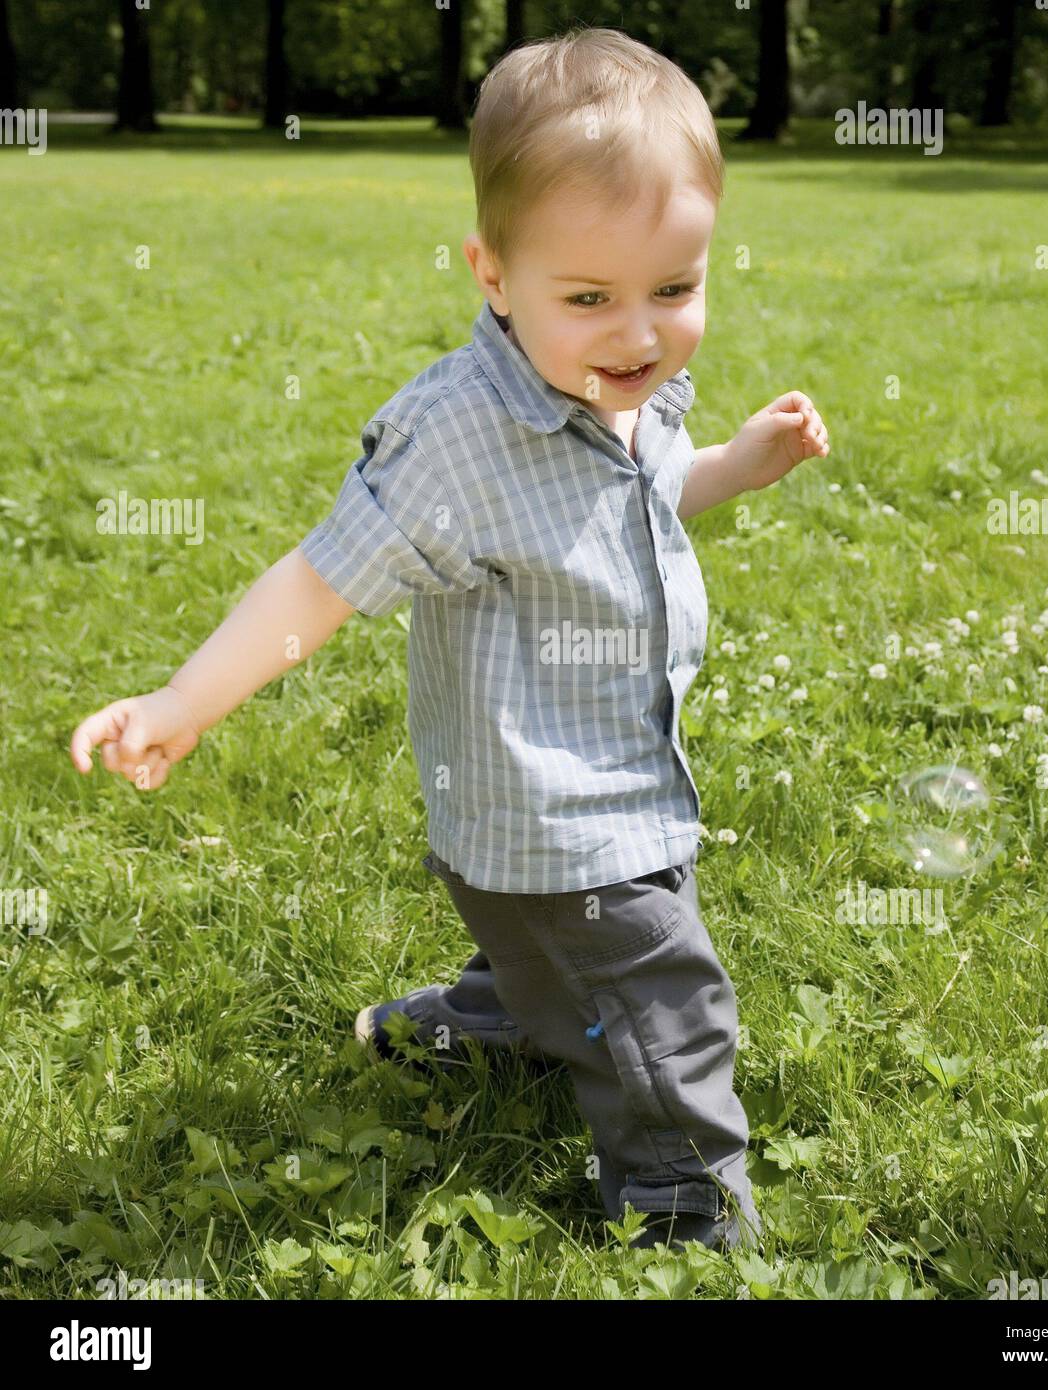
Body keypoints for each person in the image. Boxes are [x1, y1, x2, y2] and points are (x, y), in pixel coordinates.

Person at [69, 26, 829, 1254]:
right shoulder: (455, 441)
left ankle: (459, 1024)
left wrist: (740, 463)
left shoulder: (615, 381)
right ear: (491, 273)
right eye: (588, 297)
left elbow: (629, 506)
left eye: (673, 290)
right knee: (658, 1002)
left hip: (607, 786)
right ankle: (685, 1217)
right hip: (553, 816)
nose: (637, 332)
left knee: (559, 958)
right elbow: (315, 586)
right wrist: (181, 701)